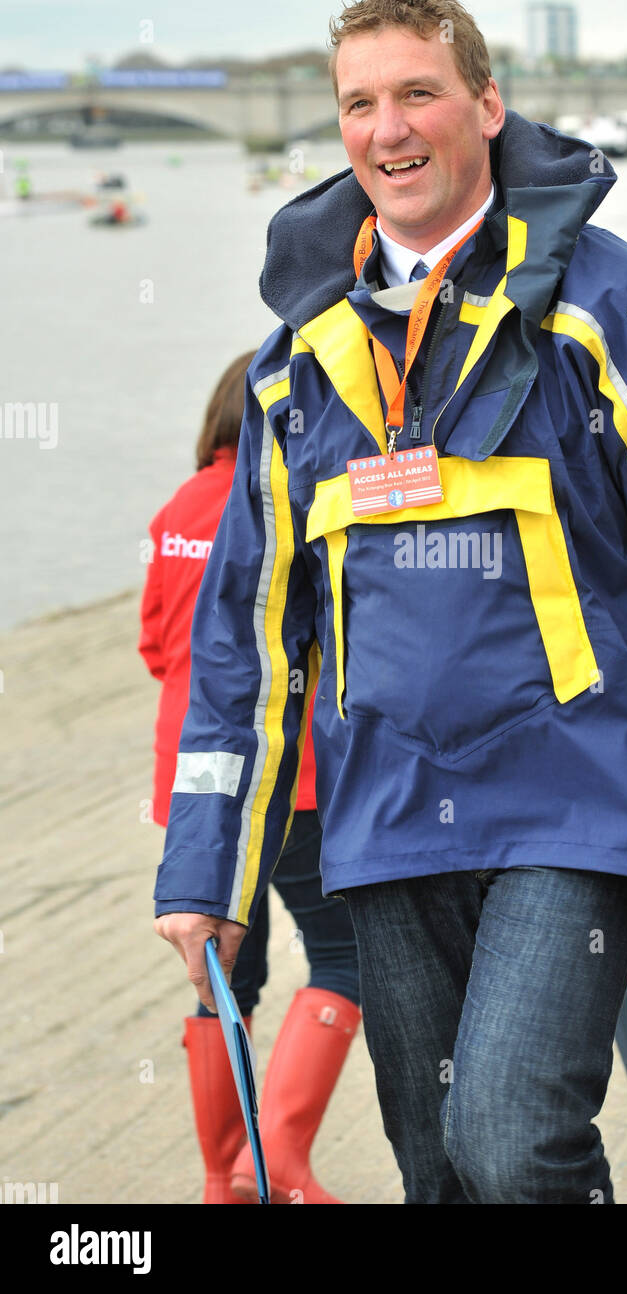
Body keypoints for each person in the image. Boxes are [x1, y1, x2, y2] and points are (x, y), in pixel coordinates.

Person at [154, 0, 627, 1205]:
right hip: (381, 817)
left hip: (575, 797)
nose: (391, 128)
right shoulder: (296, 369)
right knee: (438, 1171)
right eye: (361, 103)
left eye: (418, 91)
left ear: (487, 103)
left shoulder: (615, 310)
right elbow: (247, 645)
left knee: (508, 1137)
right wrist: (208, 879)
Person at [139, 352, 360, 1205]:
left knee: (223, 970)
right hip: (285, 775)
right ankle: (281, 1163)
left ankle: (220, 1182)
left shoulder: (177, 510)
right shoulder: (285, 496)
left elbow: (156, 647)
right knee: (344, 957)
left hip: (189, 781)